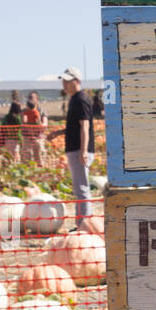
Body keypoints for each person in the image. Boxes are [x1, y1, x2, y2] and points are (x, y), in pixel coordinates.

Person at [60, 67, 94, 228]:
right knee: (79, 188)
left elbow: (84, 126)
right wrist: (58, 132)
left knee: (81, 188)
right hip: (75, 149)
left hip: (79, 150)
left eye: (67, 81)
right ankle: (82, 223)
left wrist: (83, 151)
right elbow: (75, 126)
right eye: (63, 81)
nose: (64, 84)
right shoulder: (75, 99)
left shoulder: (81, 99)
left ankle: (84, 225)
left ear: (77, 81)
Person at [22, 92, 48, 169]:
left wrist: (39, 126)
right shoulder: (24, 111)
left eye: (32, 97)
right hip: (27, 138)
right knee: (27, 159)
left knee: (40, 158)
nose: (30, 99)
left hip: (39, 138)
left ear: (37, 99)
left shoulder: (41, 111)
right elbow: (23, 123)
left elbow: (45, 124)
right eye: (29, 97)